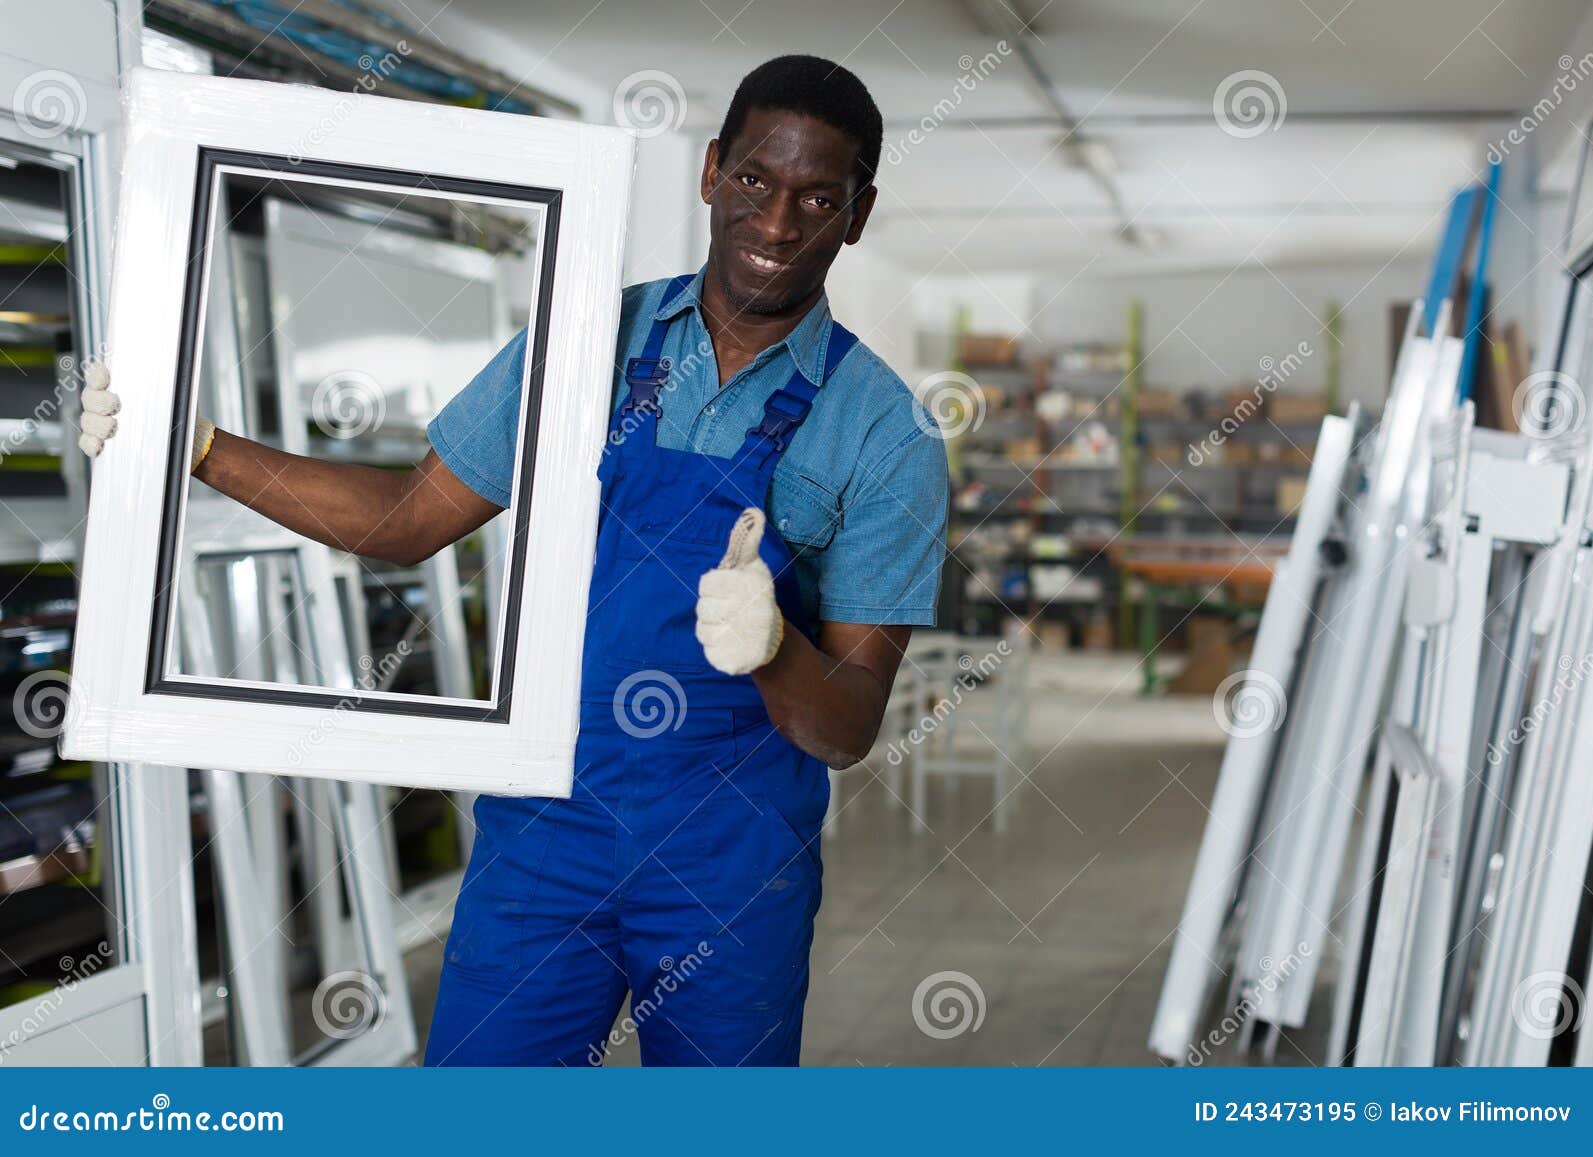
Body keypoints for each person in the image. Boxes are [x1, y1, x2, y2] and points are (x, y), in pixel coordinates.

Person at [80, 54, 948, 1066]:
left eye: (818, 196)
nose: (778, 221)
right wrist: (194, 447)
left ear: (859, 213)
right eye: (755, 179)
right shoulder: (586, 339)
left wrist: (772, 647)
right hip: (543, 833)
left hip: (730, 865)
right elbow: (407, 515)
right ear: (710, 170)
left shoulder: (886, 434)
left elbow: (844, 725)